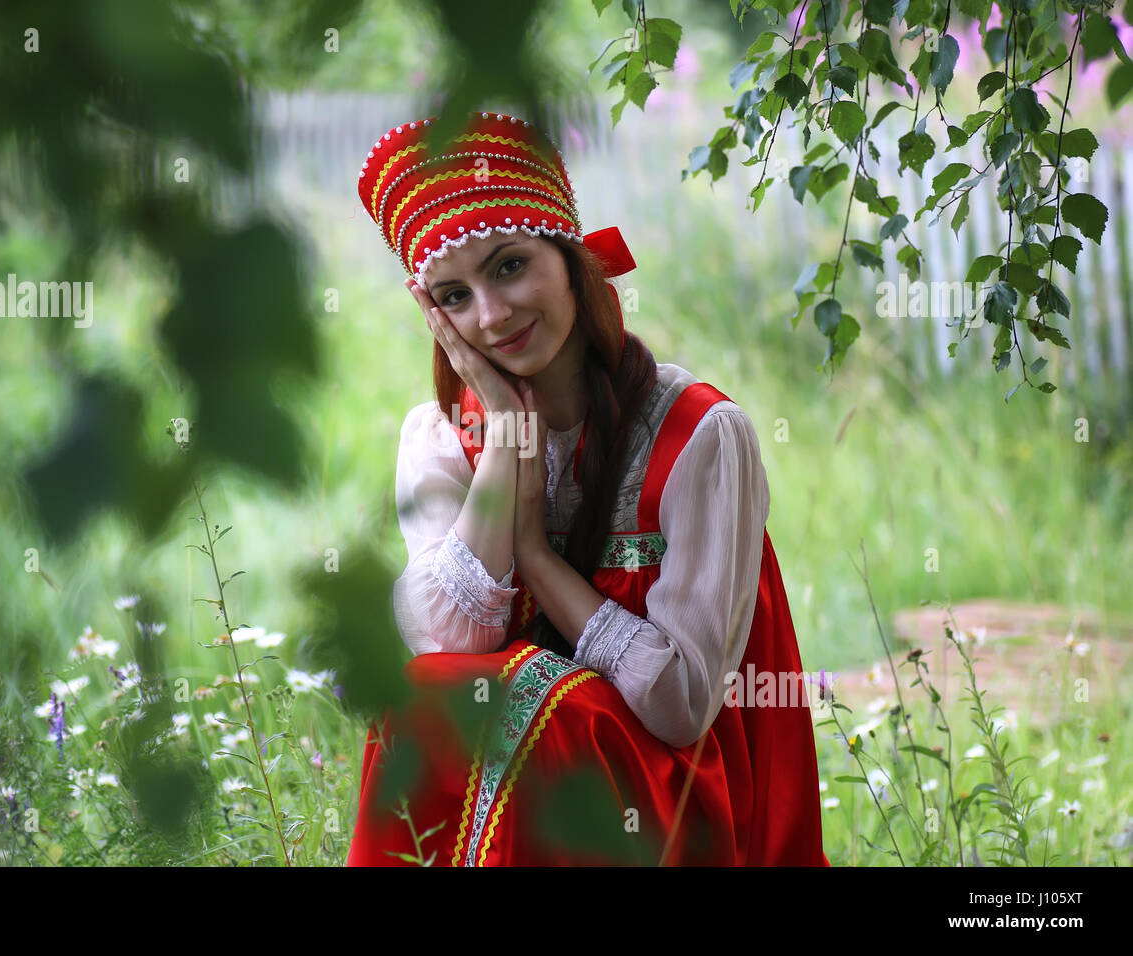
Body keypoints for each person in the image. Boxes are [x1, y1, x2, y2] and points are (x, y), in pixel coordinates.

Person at [346, 110, 829, 866]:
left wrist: (536, 557)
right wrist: (506, 445)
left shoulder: (699, 434)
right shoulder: (441, 438)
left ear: (569, 255)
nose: (492, 315)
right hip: (535, 786)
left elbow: (681, 706)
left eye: (509, 265)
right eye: (454, 295)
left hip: (678, 796)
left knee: (551, 701)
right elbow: (443, 649)